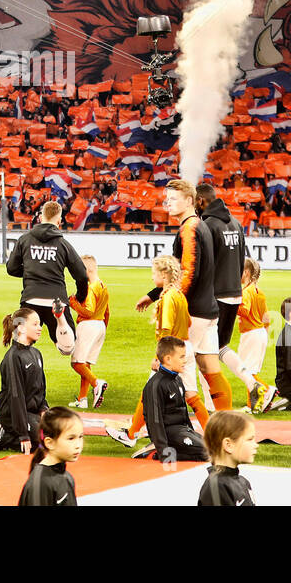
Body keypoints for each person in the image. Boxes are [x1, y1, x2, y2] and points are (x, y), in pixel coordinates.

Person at [136, 179, 231, 415]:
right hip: (209, 310)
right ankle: (227, 424)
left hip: (192, 313)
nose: (168, 203)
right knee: (211, 370)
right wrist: (154, 294)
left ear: (190, 201)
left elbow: (187, 272)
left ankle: (135, 429)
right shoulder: (202, 226)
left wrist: (170, 298)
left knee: (161, 368)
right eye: (167, 199)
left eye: (174, 199)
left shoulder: (189, 229)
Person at [106, 254, 206, 449]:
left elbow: (166, 329)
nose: (152, 278)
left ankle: (132, 433)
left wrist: (158, 357)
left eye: (154, 273)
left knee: (149, 392)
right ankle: (213, 434)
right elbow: (189, 322)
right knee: (192, 396)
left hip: (171, 352)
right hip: (186, 346)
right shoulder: (178, 295)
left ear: (164, 274)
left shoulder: (168, 297)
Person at [5, 199, 86, 355]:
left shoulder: (24, 239)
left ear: (40, 218)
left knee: (20, 346)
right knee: (67, 349)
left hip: (30, 299)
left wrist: (32, 271)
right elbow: (81, 275)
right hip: (57, 298)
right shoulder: (63, 244)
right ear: (60, 221)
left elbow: (11, 268)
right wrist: (81, 296)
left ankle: (21, 371)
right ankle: (60, 318)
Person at [196, 183, 247, 403]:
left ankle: (210, 404)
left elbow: (205, 265)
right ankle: (253, 383)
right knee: (218, 349)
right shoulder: (235, 223)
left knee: (204, 353)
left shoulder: (207, 225)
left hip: (215, 296)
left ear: (200, 201)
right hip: (234, 293)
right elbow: (242, 260)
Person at [137, 336, 208, 462]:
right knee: (208, 453)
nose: (185, 360)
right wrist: (164, 451)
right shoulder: (155, 385)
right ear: (168, 359)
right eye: (181, 357)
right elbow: (155, 421)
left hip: (182, 432)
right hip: (169, 435)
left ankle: (169, 452)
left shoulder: (178, 380)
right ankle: (156, 453)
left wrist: (190, 432)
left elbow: (184, 414)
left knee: (214, 449)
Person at [0, 307, 48, 453]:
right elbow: (16, 396)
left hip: (31, 412)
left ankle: (24, 429)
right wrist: (23, 435)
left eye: (39, 324)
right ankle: (4, 435)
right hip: (13, 413)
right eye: (35, 324)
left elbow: (41, 388)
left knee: (57, 436)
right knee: (40, 443)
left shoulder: (36, 354)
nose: (40, 328)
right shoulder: (13, 357)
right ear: (21, 328)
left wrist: (44, 410)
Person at [67, 253, 109, 409]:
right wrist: (104, 327)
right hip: (100, 325)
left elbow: (88, 311)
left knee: (76, 363)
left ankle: (96, 383)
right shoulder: (103, 285)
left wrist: (73, 304)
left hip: (89, 325)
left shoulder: (91, 288)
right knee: (86, 364)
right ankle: (82, 399)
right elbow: (107, 312)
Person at [18, 407, 83, 506]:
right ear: (50, 443)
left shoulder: (67, 477)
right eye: (71, 438)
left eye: (80, 437)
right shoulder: (41, 483)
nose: (78, 445)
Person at [236, 258, 276, 411]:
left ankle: (265, 391)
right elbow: (267, 318)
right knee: (249, 369)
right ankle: (258, 402)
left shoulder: (246, 292)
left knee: (245, 370)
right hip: (259, 332)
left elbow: (244, 310)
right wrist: (263, 333)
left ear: (246, 272)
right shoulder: (259, 292)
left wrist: (230, 306)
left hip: (251, 332)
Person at [198, 411, 257, 506]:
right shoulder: (217, 487)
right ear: (228, 445)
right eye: (250, 439)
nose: (255, 445)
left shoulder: (243, 482)